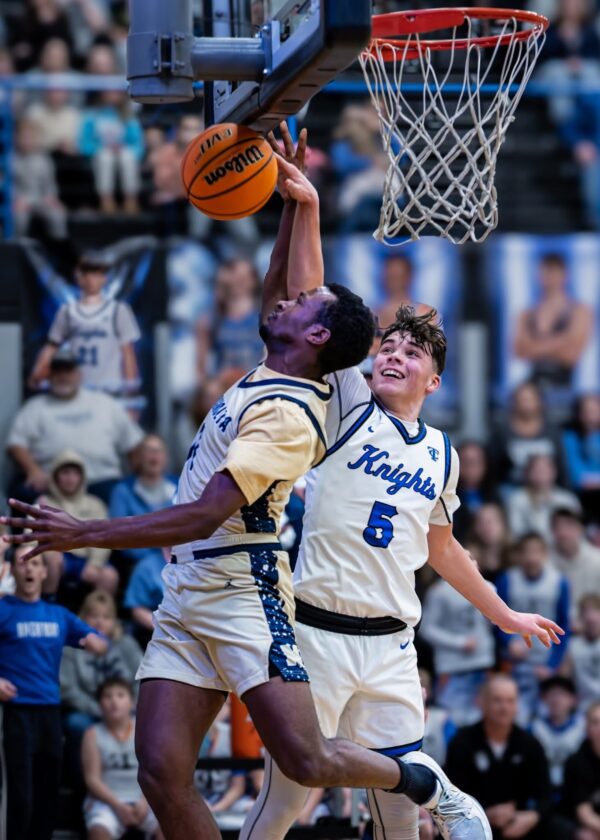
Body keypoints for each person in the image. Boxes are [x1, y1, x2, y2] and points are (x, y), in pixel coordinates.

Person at [3, 156, 434, 840]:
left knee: (307, 757)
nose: (287, 301)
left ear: (316, 337)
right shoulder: (280, 363)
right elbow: (281, 291)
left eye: (303, 307)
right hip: (188, 588)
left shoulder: (290, 414)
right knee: (160, 771)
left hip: (242, 590)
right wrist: (297, 205)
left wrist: (83, 533)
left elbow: (205, 512)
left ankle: (415, 777)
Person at [237, 126, 563, 840]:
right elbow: (312, 300)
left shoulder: (444, 452)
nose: (393, 354)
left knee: (399, 813)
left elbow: (442, 550)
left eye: (410, 352)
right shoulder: (350, 404)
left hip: (391, 647)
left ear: (434, 380)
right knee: (288, 802)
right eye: (388, 345)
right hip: (317, 632)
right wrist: (309, 209)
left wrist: (504, 614)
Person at [0, 544, 107, 840]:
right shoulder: (3, 608)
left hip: (50, 711)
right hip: (15, 712)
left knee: (47, 792)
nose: (30, 569)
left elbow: (99, 641)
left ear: (46, 572)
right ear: (13, 570)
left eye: (36, 564)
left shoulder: (58, 614)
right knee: (20, 795)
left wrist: (92, 640)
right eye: (23, 563)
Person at [6, 347, 144, 503]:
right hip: (52, 485)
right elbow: (15, 444)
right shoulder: (35, 407)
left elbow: (134, 443)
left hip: (101, 482)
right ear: (50, 376)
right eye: (58, 372)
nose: (63, 376)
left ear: (79, 375)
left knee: (126, 494)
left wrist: (137, 477)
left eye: (68, 371)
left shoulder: (105, 403)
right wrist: (33, 471)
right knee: (20, 495)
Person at [445, 674, 573, 840]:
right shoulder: (462, 742)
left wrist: (531, 817)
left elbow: (545, 795)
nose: (504, 707)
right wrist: (484, 813)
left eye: (510, 701)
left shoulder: (530, 743)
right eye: (497, 700)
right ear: (481, 703)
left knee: (560, 829)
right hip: (474, 821)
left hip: (518, 822)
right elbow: (452, 794)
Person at [29, 251, 141, 396]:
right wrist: (38, 370)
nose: (90, 279)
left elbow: (128, 352)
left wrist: (131, 389)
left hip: (109, 391)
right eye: (86, 273)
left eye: (95, 273)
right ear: (78, 276)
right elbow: (52, 346)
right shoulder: (68, 312)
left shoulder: (119, 310)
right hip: (77, 391)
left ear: (104, 278)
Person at [497, 533, 571, 723]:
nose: (531, 558)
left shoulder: (559, 583)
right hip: (515, 659)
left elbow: (564, 626)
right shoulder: (507, 580)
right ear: (519, 555)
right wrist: (507, 642)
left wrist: (553, 664)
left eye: (536, 552)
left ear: (545, 554)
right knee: (515, 716)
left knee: (546, 717)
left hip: (544, 661)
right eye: (526, 552)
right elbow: (494, 618)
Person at [81, 677, 162, 840]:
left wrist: (145, 801)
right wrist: (118, 806)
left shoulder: (145, 731)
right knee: (98, 833)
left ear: (132, 703)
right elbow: (92, 779)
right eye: (107, 696)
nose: (114, 701)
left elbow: (157, 773)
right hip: (108, 801)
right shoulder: (92, 734)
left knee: (169, 830)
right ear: (100, 704)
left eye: (120, 695)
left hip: (144, 798)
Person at [38, 449, 117, 594]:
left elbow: (104, 538)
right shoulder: (44, 502)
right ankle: (48, 603)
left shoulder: (95, 504)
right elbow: (30, 536)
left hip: (86, 559)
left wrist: (95, 564)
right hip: (58, 558)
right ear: (55, 476)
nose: (70, 478)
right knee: (52, 558)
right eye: (65, 473)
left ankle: (98, 612)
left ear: (82, 477)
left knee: (109, 576)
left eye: (75, 473)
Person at [513, 252, 593, 395]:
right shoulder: (527, 314)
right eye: (545, 273)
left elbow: (571, 355)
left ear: (564, 275)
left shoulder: (579, 311)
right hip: (533, 388)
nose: (549, 279)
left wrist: (535, 346)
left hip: (567, 388)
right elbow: (520, 351)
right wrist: (563, 340)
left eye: (553, 273)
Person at [420, 576, 495, 726]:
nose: (473, 563)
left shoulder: (486, 588)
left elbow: (493, 621)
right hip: (452, 669)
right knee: (452, 721)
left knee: (484, 720)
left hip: (482, 665)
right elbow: (426, 628)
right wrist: (459, 643)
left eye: (474, 560)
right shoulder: (439, 592)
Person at [505, 453, 581, 542]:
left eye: (544, 469)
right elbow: (516, 532)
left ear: (554, 472)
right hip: (530, 550)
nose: (540, 473)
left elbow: (577, 530)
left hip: (562, 549)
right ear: (526, 473)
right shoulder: (517, 499)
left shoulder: (567, 499)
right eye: (535, 469)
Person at [530, 676, 585, 797]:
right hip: (542, 789)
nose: (556, 700)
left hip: (576, 789)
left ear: (573, 699)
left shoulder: (584, 728)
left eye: (561, 695)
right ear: (544, 699)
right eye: (552, 694)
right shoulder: (534, 728)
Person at [550, 508, 600, 629]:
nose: (563, 533)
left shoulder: (597, 560)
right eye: (558, 528)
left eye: (569, 526)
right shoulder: (545, 562)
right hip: (555, 627)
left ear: (581, 529)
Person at [562, 701, 600, 839]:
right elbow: (584, 813)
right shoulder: (576, 762)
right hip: (579, 823)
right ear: (587, 728)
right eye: (595, 722)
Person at [561, 393, 600, 522]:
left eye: (594, 410)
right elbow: (576, 477)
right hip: (580, 496)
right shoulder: (569, 438)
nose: (589, 415)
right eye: (585, 410)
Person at [561, 593, 600, 712]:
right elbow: (564, 680)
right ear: (580, 618)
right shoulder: (573, 646)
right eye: (586, 613)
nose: (591, 617)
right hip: (581, 710)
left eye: (595, 611)